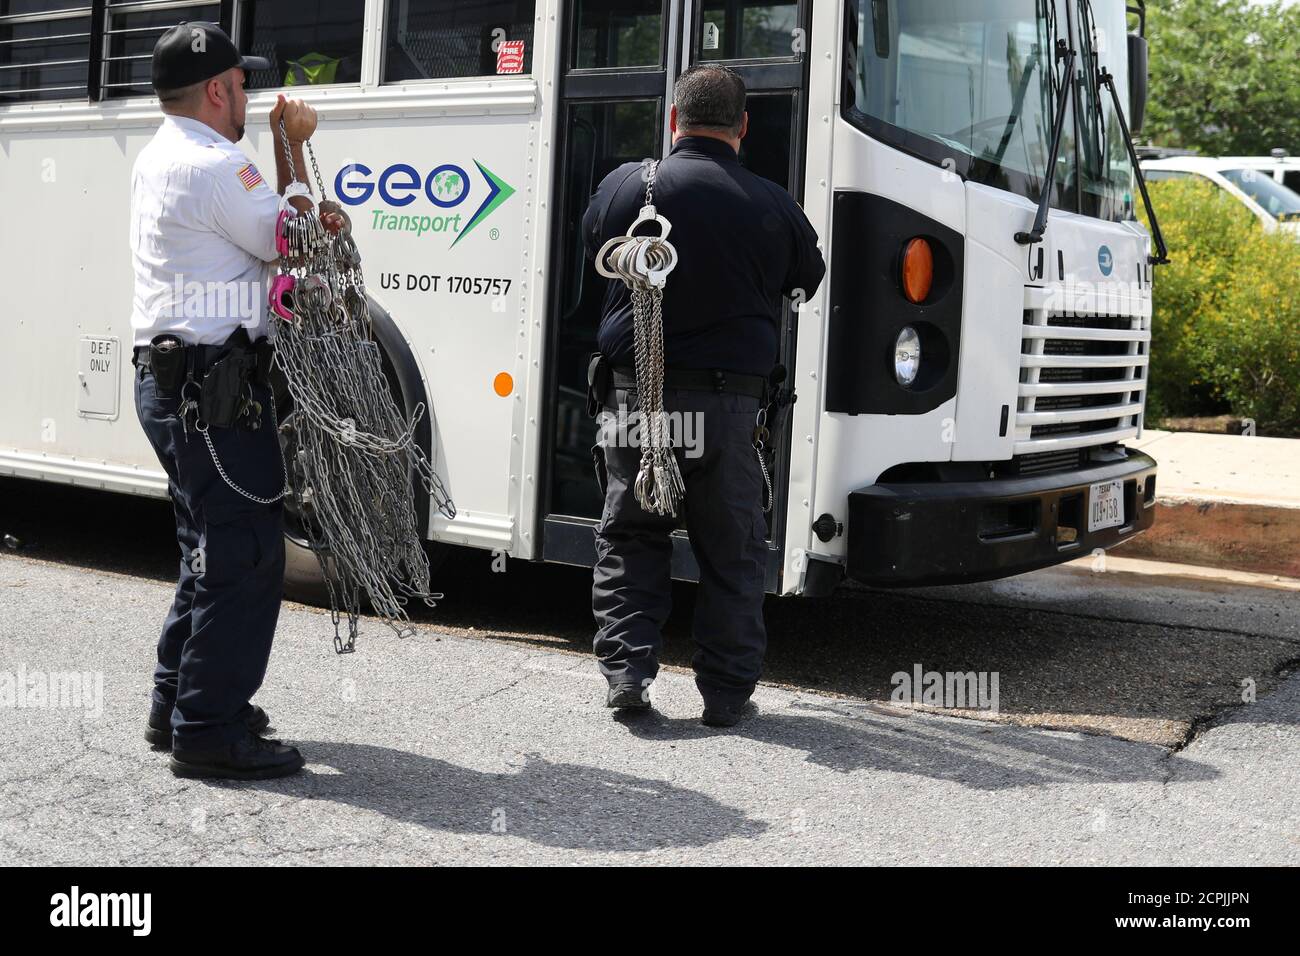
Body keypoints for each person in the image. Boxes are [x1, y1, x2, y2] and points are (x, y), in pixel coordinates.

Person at [583, 65, 826, 727]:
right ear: (743, 128)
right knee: (731, 549)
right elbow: (809, 277)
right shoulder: (772, 203)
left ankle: (628, 677)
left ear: (672, 120)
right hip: (727, 413)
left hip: (639, 402)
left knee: (631, 537)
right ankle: (724, 696)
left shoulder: (625, 186)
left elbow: (592, 250)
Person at [130, 21, 341, 778]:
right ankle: (209, 730)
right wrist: (293, 145)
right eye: (244, 84)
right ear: (217, 90)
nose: (250, 95)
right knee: (246, 558)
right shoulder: (219, 164)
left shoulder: (161, 153)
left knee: (208, 550)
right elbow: (294, 239)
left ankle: (179, 704)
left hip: (177, 386)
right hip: (215, 394)